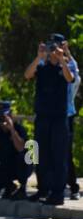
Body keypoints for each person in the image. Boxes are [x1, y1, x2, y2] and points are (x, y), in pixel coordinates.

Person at [24, 34, 76, 206]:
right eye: (50, 47)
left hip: (59, 118)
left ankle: (58, 193)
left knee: (58, 156)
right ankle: (43, 189)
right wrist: (39, 56)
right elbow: (27, 75)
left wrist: (61, 59)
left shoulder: (65, 67)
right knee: (41, 155)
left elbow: (70, 79)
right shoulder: (42, 66)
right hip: (43, 117)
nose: (52, 50)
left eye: (54, 47)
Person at [0, 104, 32, 199]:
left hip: (22, 165)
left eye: (4, 116)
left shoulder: (18, 129)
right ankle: (9, 187)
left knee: (22, 158)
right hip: (6, 166)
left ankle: (23, 188)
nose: (2, 119)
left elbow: (20, 148)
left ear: (10, 115)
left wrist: (11, 129)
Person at [63, 40, 80, 200]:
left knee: (65, 152)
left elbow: (74, 70)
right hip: (48, 115)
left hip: (66, 115)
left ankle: (73, 186)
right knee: (42, 150)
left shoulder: (72, 73)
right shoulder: (49, 68)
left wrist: (66, 53)